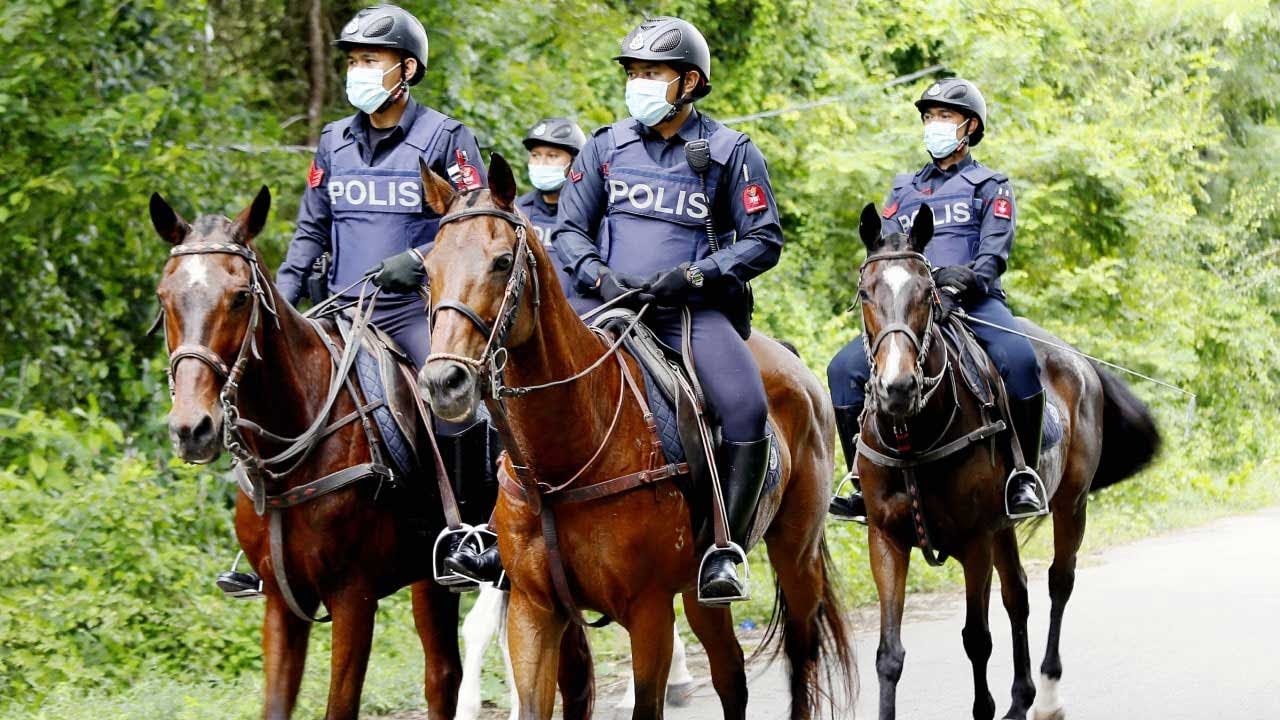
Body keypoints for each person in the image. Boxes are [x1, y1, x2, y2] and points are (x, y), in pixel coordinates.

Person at [456, 16, 786, 605]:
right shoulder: (605, 147)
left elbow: (763, 240)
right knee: (502, 386)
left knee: (745, 405)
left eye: (652, 73)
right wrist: (599, 276)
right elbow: (570, 233)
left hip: (688, 312)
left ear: (689, 82)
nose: (639, 84)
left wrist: (693, 274)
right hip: (601, 304)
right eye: (634, 73)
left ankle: (725, 550)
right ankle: (491, 534)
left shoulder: (733, 151)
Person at [218, 4, 493, 598]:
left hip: (415, 310)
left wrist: (419, 261)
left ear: (407, 69)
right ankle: (254, 545)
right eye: (353, 61)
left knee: (458, 403)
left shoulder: (446, 137)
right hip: (341, 310)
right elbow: (310, 233)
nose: (358, 71)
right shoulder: (333, 143)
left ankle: (469, 533)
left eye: (371, 60)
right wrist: (280, 305)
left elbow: (475, 228)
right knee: (259, 397)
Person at [827, 77, 1047, 523]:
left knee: (1020, 360)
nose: (934, 125)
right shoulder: (903, 189)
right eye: (929, 117)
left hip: (973, 303)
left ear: (969, 126)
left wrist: (954, 286)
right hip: (910, 309)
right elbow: (888, 248)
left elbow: (993, 256)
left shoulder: (990, 184)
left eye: (944, 116)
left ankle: (1023, 473)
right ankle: (859, 477)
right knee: (843, 370)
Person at [515, 117, 598, 313]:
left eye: (552, 156)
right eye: (535, 155)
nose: (541, 164)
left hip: (578, 323)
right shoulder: (516, 212)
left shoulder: (593, 215)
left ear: (574, 162)